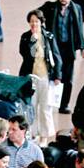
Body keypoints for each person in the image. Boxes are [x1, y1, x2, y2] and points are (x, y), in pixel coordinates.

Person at [18, 12, 63, 144]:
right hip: (30, 77)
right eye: (31, 21)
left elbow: (56, 55)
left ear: (41, 22)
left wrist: (58, 75)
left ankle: (44, 136)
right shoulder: (25, 37)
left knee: (45, 107)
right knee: (30, 106)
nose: (34, 24)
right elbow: (24, 54)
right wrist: (33, 40)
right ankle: (31, 134)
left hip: (45, 77)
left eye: (36, 21)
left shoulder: (48, 36)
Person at [42, 0, 84, 114]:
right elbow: (36, 14)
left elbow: (79, 29)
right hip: (54, 48)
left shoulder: (76, 9)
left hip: (68, 48)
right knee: (53, 75)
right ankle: (49, 103)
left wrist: (83, 47)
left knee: (68, 78)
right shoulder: (50, 7)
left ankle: (64, 104)